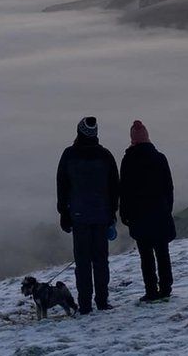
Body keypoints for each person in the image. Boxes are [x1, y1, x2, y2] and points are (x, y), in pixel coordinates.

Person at [56, 116, 120, 313]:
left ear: (79, 133)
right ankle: (102, 300)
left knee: (82, 261)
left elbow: (62, 185)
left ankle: (85, 304)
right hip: (101, 215)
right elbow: (114, 186)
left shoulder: (69, 155)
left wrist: (64, 212)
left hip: (78, 215)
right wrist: (112, 212)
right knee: (100, 260)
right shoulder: (105, 155)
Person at [120, 120, 176, 302]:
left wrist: (124, 214)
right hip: (160, 213)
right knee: (162, 252)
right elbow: (169, 187)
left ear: (133, 139)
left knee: (146, 256)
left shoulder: (128, 160)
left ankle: (151, 290)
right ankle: (166, 288)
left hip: (139, 216)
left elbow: (124, 191)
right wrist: (167, 208)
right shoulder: (160, 158)